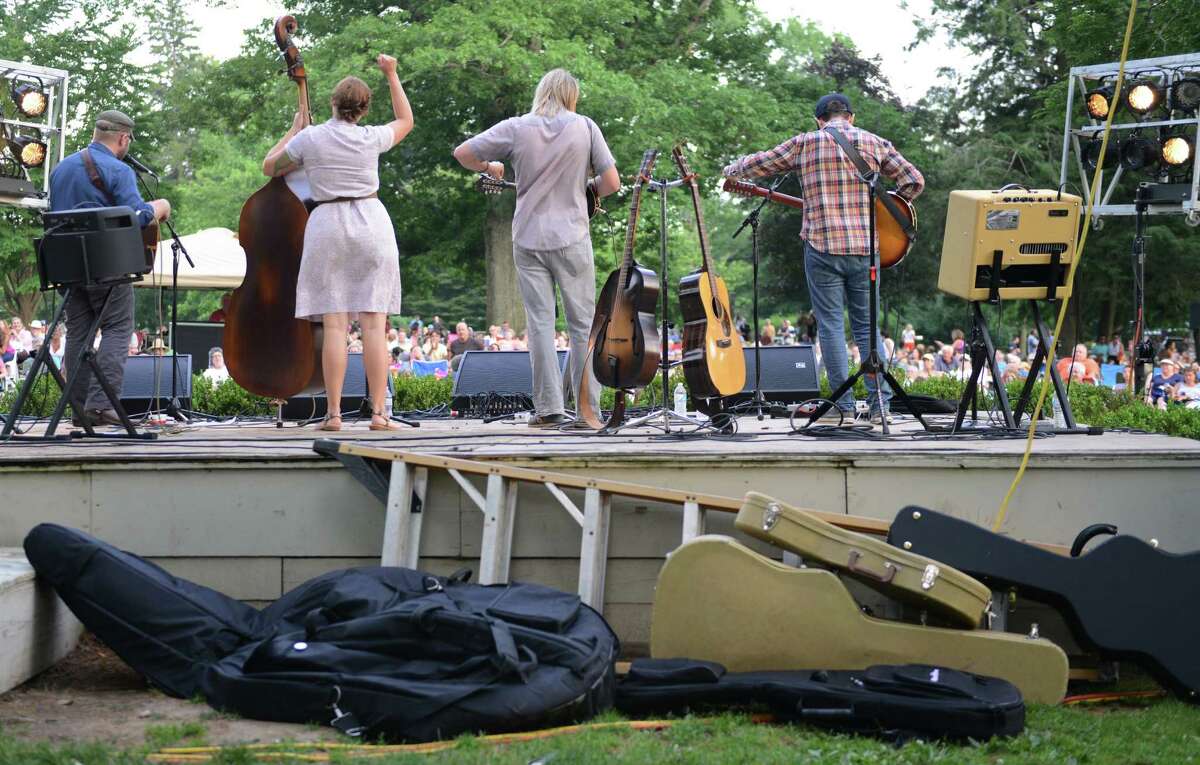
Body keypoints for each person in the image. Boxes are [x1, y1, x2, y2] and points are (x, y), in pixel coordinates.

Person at [723, 93, 924, 425]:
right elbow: (914, 180)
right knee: (867, 327)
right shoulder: (874, 143)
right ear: (851, 117)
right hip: (865, 250)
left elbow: (758, 164)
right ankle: (879, 407)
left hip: (822, 246)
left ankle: (843, 407)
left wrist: (731, 168)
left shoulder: (805, 144)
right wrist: (886, 211)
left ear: (819, 120)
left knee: (830, 327)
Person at [454, 68, 620, 428]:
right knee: (583, 327)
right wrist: (583, 188)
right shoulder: (585, 126)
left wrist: (490, 166)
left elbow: (463, 153)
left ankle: (548, 410)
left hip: (528, 237)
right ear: (571, 95)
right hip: (572, 237)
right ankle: (589, 412)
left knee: (541, 325)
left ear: (542, 92)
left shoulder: (516, 127)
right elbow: (611, 182)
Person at [262, 54, 413, 432]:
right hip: (371, 223)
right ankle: (380, 415)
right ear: (363, 109)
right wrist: (392, 75)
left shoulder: (311, 138)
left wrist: (295, 130)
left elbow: (269, 166)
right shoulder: (370, 136)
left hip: (328, 224)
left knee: (334, 327)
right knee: (374, 325)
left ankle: (333, 415)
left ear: (333, 102)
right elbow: (406, 121)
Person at [49, 109, 171, 427]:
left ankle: (78, 410)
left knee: (79, 334)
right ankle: (101, 406)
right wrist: (159, 207)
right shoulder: (118, 170)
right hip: (107, 267)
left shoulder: (60, 170)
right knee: (117, 329)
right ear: (122, 138)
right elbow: (137, 217)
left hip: (68, 267)